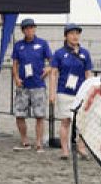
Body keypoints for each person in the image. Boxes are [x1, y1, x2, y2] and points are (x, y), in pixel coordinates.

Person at [11, 18, 54, 152]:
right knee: (19, 114)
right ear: (23, 30)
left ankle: (39, 142)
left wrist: (48, 69)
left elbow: (52, 61)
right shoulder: (18, 45)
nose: (29, 30)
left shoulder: (42, 44)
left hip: (38, 85)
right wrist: (16, 78)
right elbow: (15, 64)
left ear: (35, 29)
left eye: (31, 27)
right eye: (26, 28)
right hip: (23, 86)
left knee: (39, 115)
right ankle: (24, 140)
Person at [51, 23, 93, 160]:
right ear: (66, 36)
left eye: (77, 33)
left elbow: (88, 73)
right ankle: (65, 150)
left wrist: (91, 91)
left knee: (81, 122)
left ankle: (81, 147)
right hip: (64, 91)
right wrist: (52, 93)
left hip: (81, 93)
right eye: (72, 33)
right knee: (65, 121)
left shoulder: (85, 53)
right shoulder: (59, 53)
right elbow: (53, 73)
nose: (75, 36)